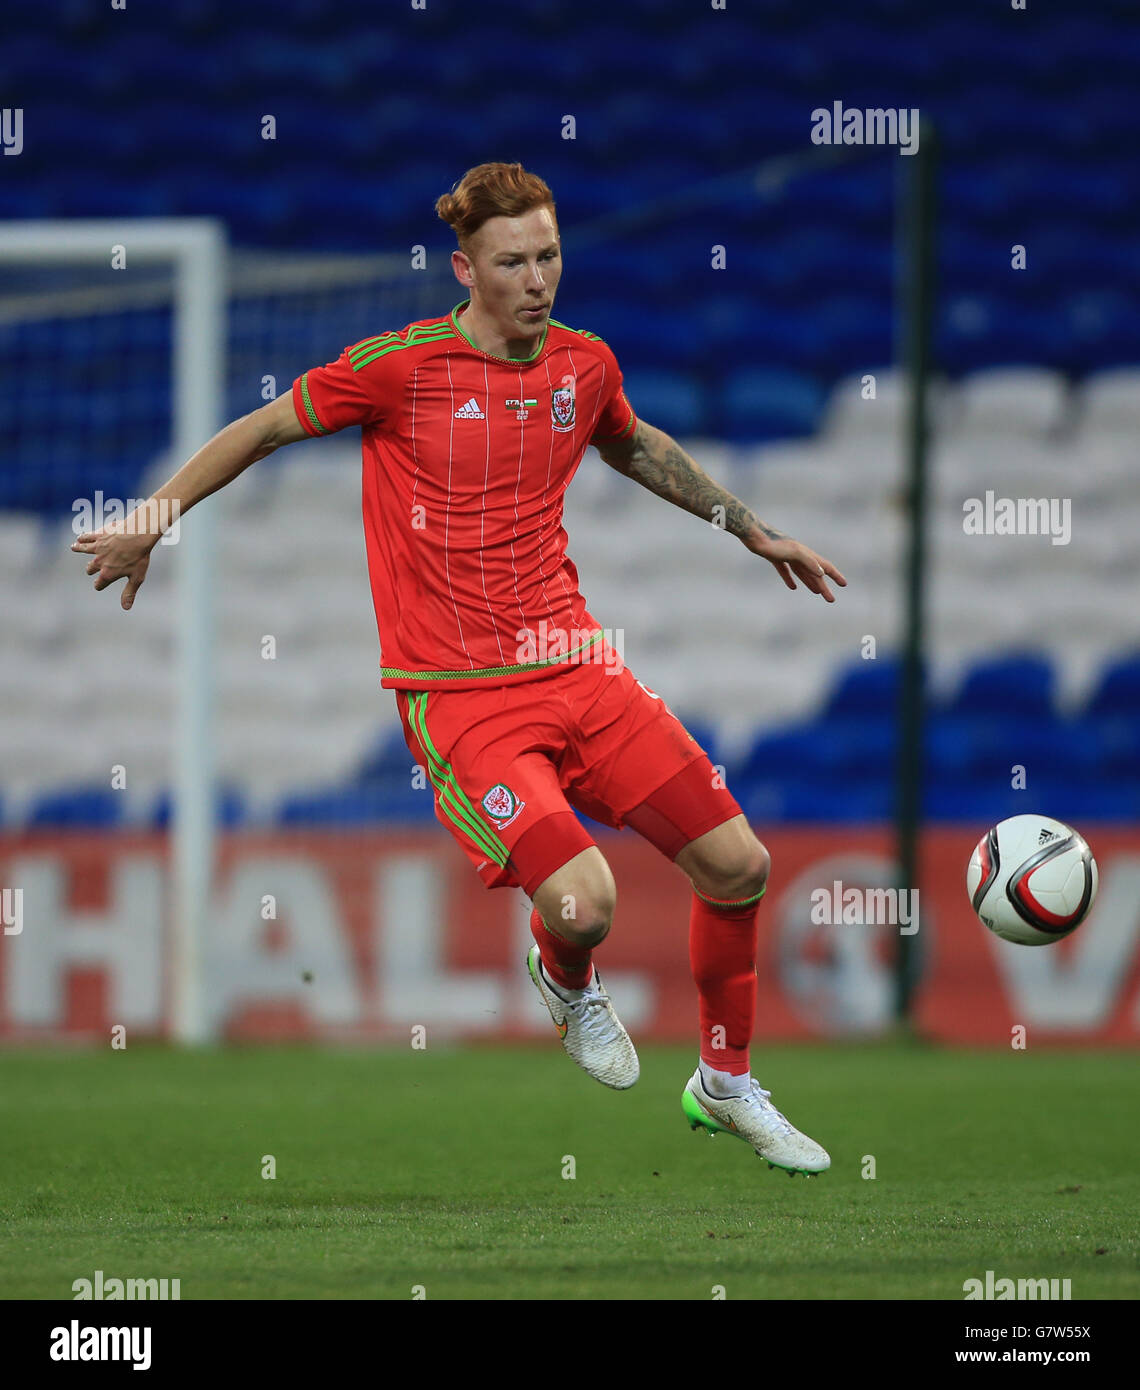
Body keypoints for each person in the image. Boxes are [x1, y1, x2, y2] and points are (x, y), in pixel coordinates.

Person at [74, 161, 846, 1175]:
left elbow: (631, 442)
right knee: (587, 903)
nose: (538, 279)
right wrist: (150, 518)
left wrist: (750, 528)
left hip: (577, 666)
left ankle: (726, 1083)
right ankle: (567, 980)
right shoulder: (400, 368)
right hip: (461, 699)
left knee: (740, 865)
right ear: (466, 267)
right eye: (514, 261)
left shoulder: (584, 365)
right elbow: (265, 425)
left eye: (551, 255)